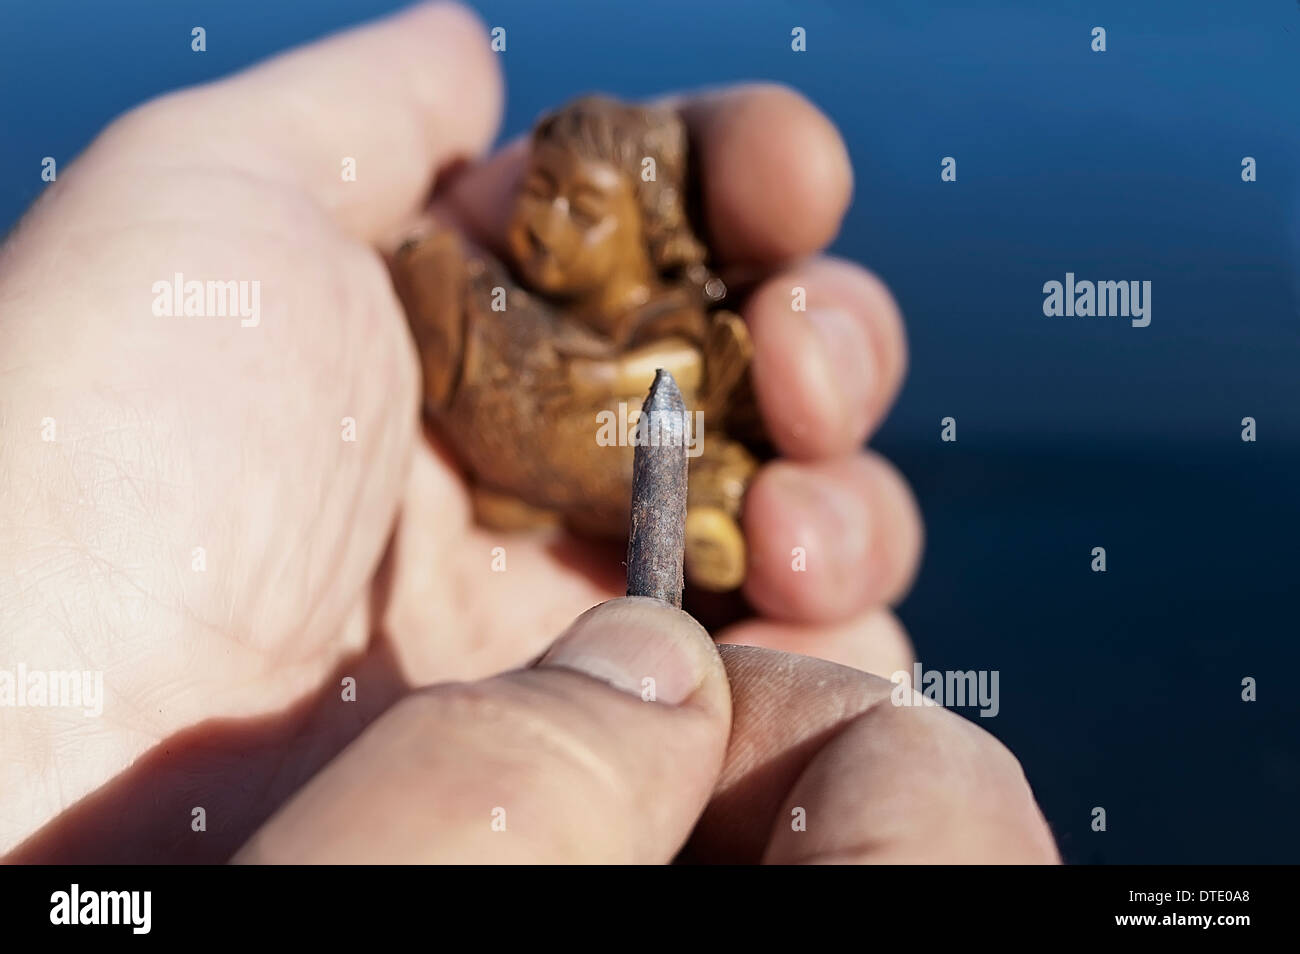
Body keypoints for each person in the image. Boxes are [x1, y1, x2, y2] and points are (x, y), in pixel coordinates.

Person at [0, 2, 1057, 863]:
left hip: (612, 480)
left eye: (583, 210)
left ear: (652, 241)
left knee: (757, 515)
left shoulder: (681, 350)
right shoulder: (477, 307)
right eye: (537, 196)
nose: (543, 226)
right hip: (506, 476)